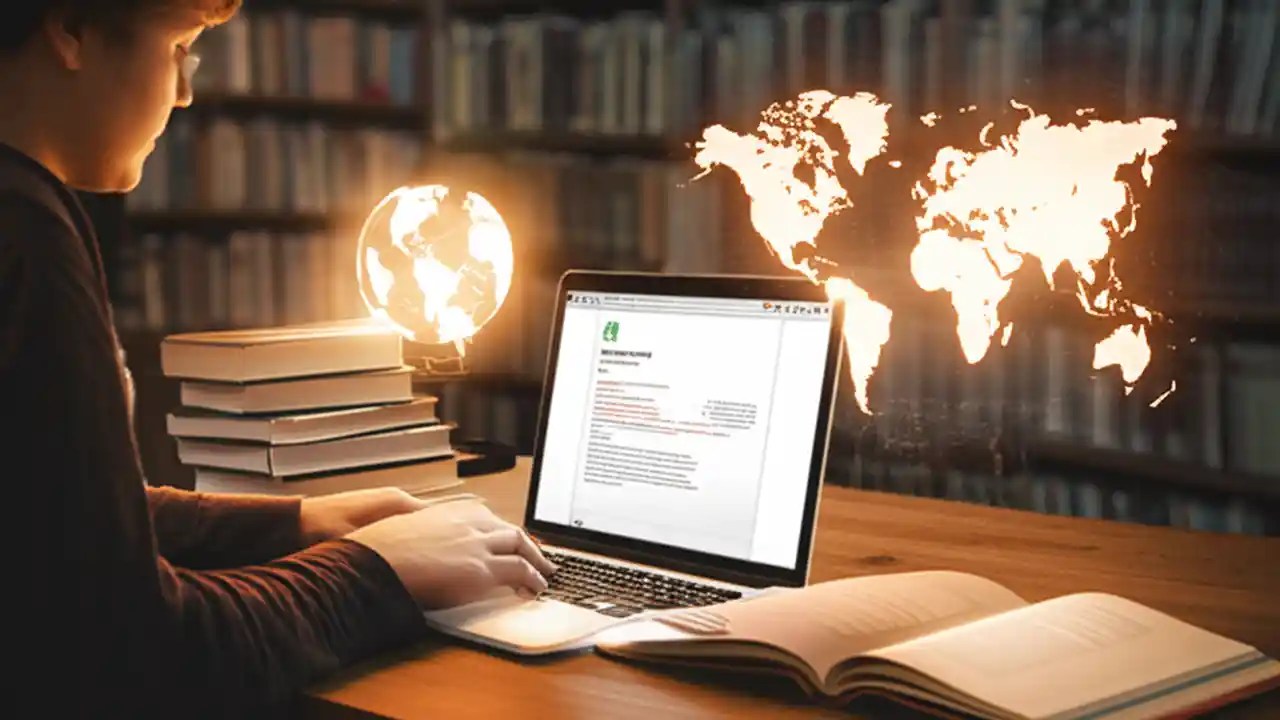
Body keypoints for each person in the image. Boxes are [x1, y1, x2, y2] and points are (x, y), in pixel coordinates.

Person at [0, 2, 555, 717]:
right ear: (70, 30)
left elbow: (53, 519)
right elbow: (136, 646)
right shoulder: (24, 239)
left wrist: (297, 523)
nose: (184, 91)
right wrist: (378, 573)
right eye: (180, 48)